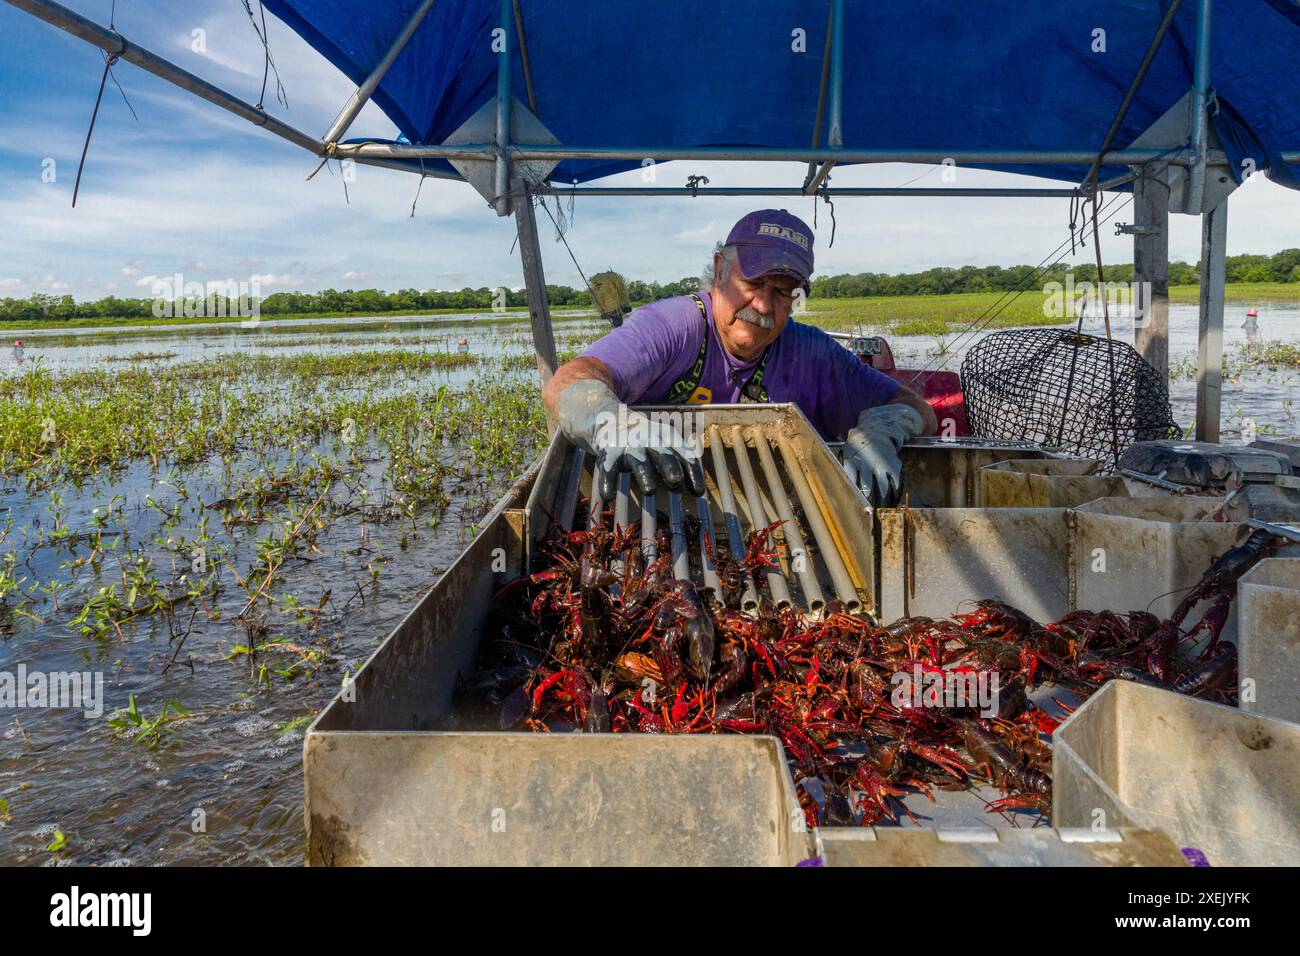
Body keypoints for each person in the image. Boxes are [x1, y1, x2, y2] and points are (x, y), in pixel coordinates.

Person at [542, 209, 937, 503]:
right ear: (719, 271)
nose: (764, 305)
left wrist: (881, 430)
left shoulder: (812, 352)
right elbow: (569, 381)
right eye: (753, 282)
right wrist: (613, 424)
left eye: (784, 291)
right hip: (653, 507)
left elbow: (912, 405)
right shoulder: (675, 325)